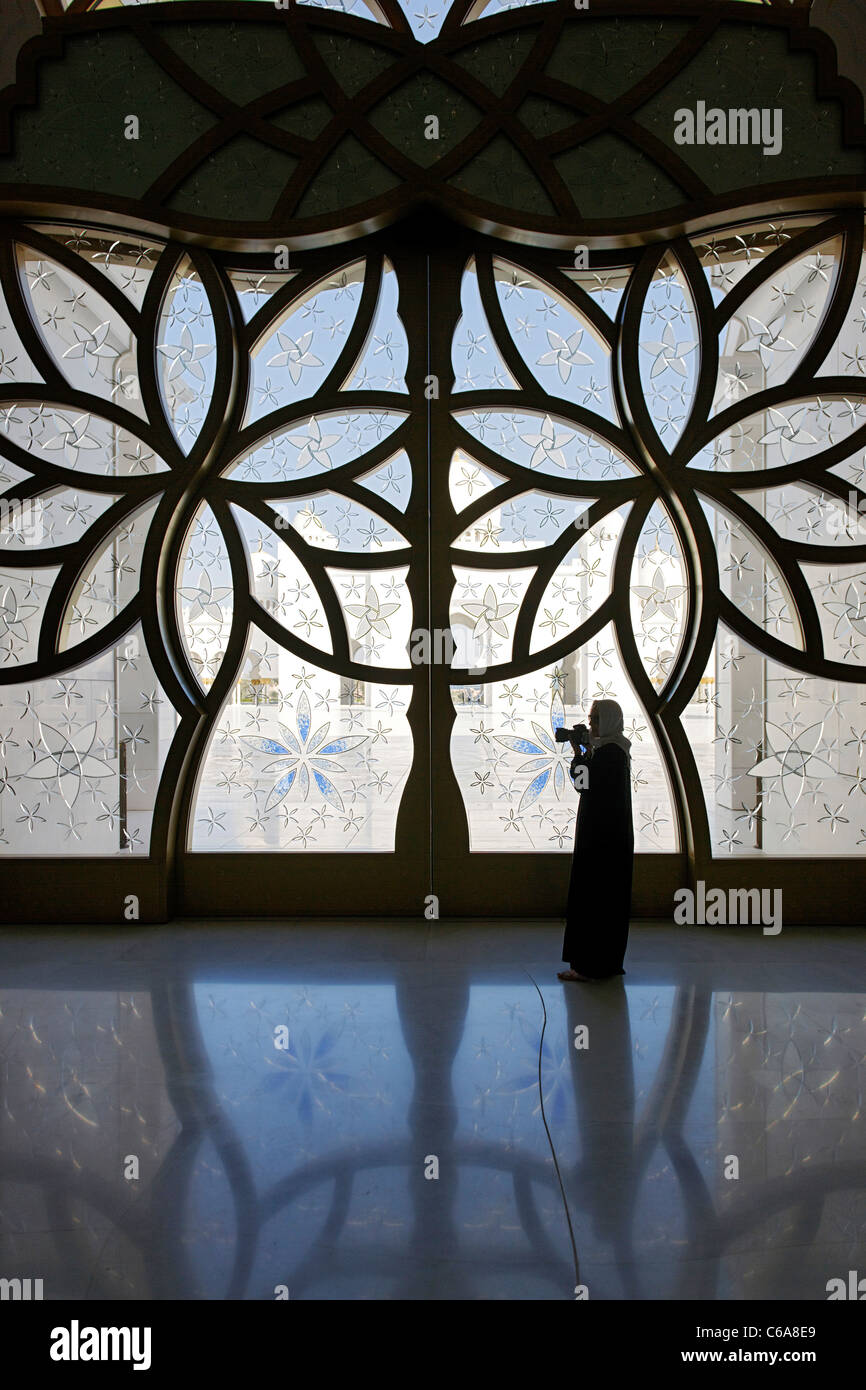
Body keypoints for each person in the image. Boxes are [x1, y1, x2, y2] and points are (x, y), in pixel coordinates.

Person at [558, 698, 634, 982]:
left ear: (609, 721)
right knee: (607, 901)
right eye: (591, 720)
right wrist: (586, 750)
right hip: (609, 836)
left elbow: (582, 783)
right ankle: (605, 963)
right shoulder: (614, 750)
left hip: (600, 839)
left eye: (596, 720)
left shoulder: (609, 754)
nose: (591, 725)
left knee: (594, 899)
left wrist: (578, 752)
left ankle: (589, 967)